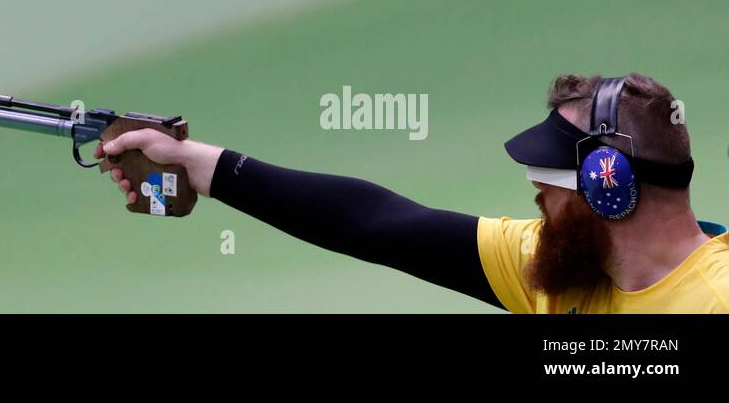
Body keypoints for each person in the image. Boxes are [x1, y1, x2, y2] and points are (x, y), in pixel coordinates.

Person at [97, 73, 728, 312]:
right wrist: (194, 165)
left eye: (551, 176)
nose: (535, 185)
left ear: (608, 186)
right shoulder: (565, 270)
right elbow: (377, 223)